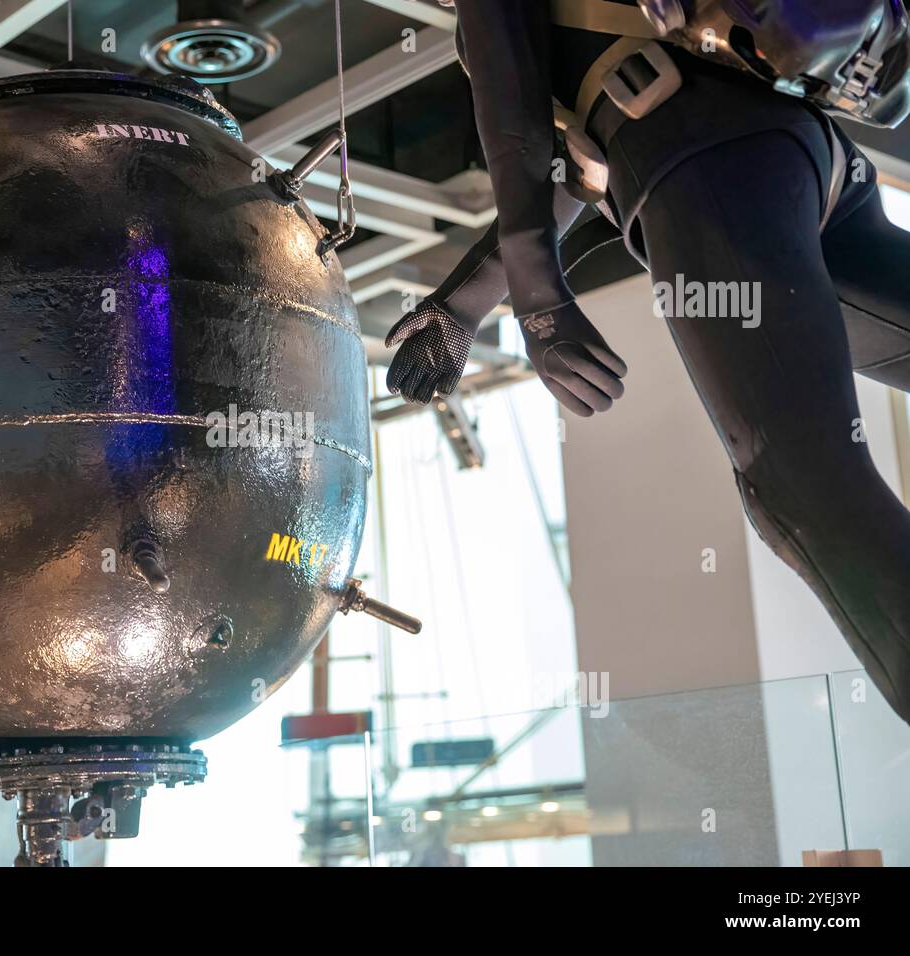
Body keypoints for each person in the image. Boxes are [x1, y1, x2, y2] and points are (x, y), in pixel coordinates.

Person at [385, 0, 910, 723]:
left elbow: (517, 130)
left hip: (701, 160)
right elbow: (589, 152)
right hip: (802, 155)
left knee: (799, 484)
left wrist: (538, 300)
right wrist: (467, 303)